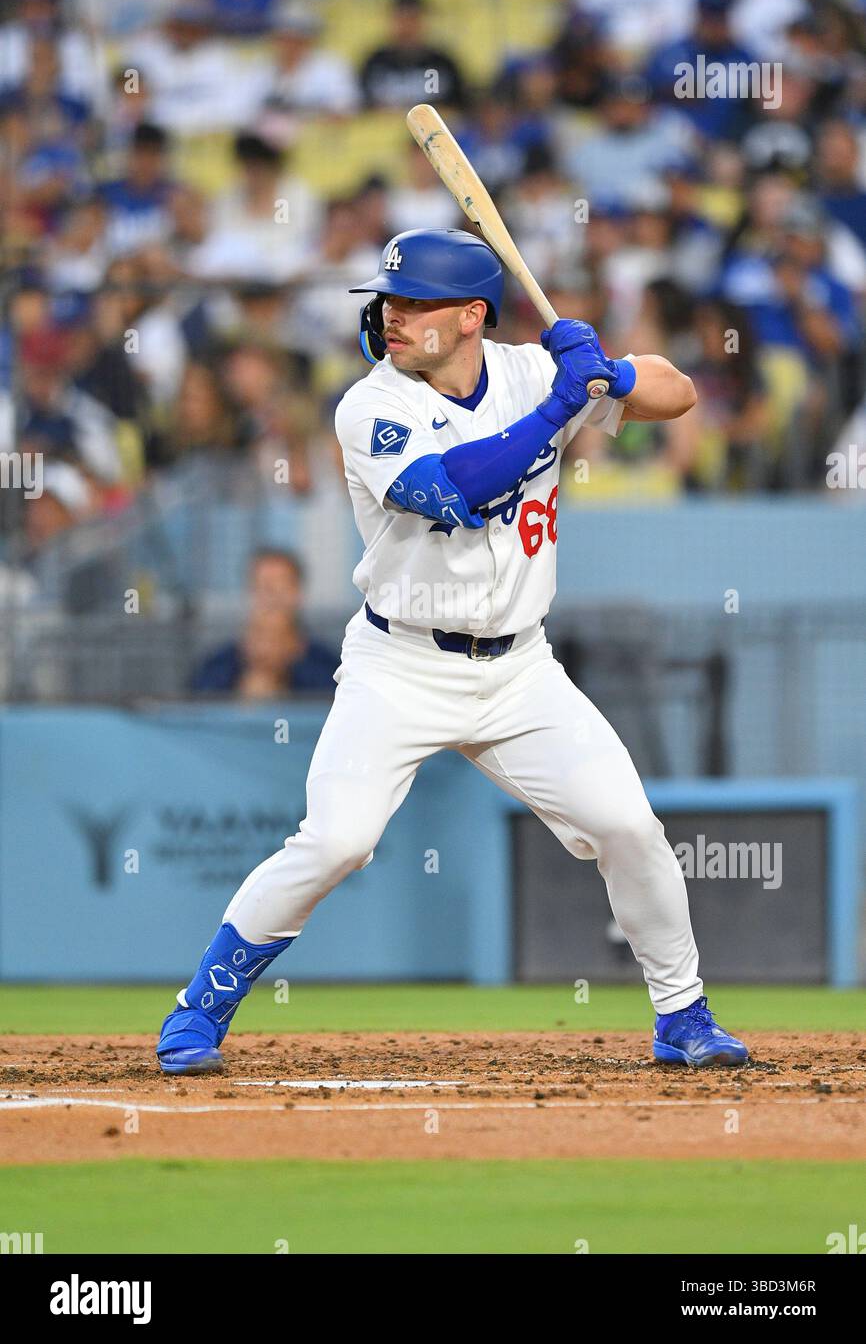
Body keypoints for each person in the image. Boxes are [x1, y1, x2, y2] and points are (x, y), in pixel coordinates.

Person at [157, 229, 749, 1075]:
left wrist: (611, 376)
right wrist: (561, 407)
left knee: (629, 824)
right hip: (400, 665)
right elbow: (457, 493)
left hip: (519, 669)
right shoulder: (371, 404)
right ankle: (200, 1008)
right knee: (337, 842)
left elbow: (679, 393)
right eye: (388, 301)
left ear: (472, 316)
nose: (391, 317)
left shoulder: (526, 369)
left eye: (413, 303)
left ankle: (683, 1016)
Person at [190, 548, 339, 695]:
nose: (271, 597)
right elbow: (195, 707)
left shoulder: (328, 666)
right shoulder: (217, 665)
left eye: (280, 586)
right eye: (262, 586)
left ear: (298, 593)